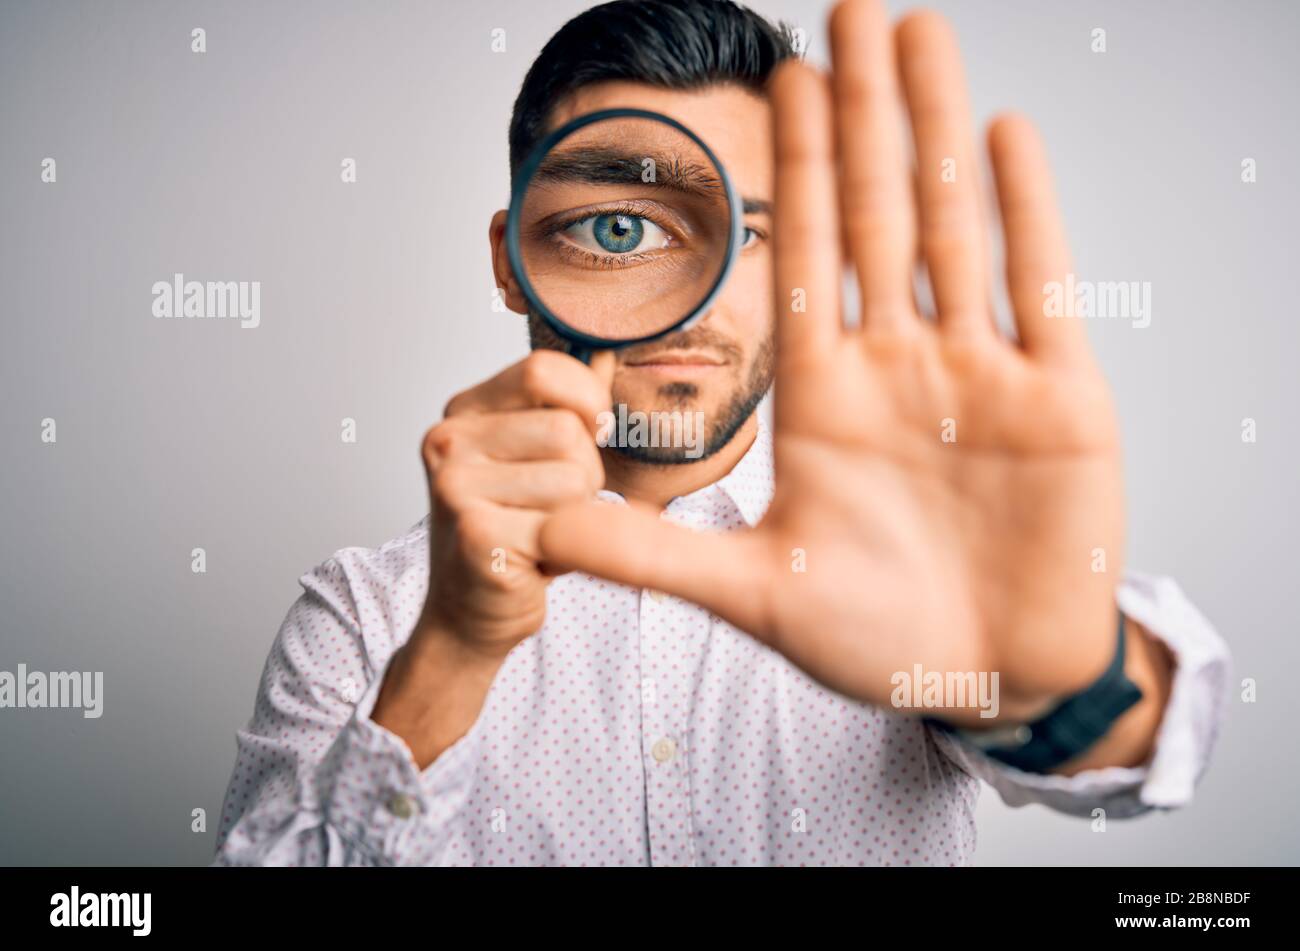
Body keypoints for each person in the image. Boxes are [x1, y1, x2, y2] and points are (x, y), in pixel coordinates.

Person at [214, 0, 1228, 866]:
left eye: (753, 234)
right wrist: (451, 652)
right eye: (622, 226)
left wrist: (1059, 686)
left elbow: (1132, 760)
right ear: (512, 255)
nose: (688, 306)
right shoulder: (366, 611)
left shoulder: (897, 562)